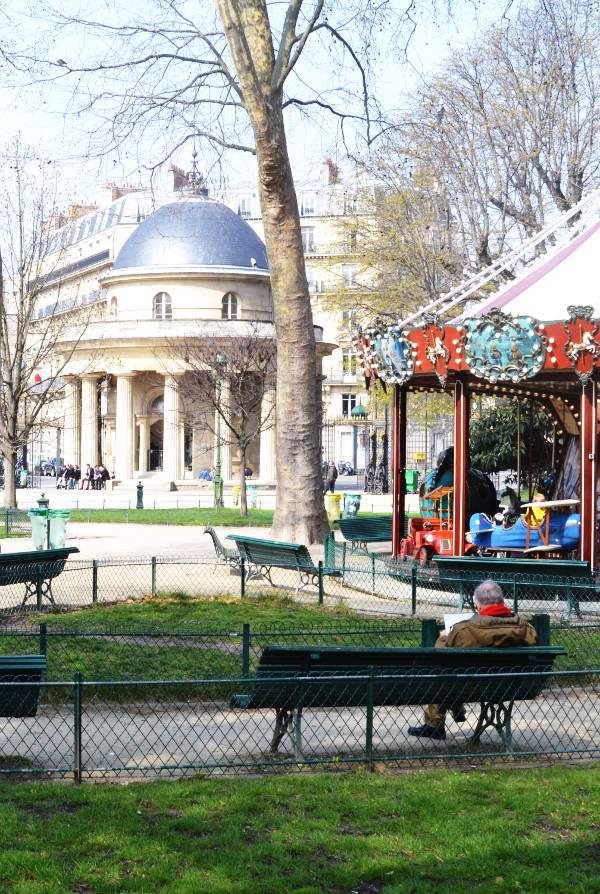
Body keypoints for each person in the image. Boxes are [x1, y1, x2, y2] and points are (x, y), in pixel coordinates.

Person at [408, 579, 538, 740]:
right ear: (503, 602)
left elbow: (440, 656)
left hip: (466, 687)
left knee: (441, 670)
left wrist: (443, 638)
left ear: (478, 606)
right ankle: (454, 706)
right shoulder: (526, 629)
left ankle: (436, 722)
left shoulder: (463, 630)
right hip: (510, 686)